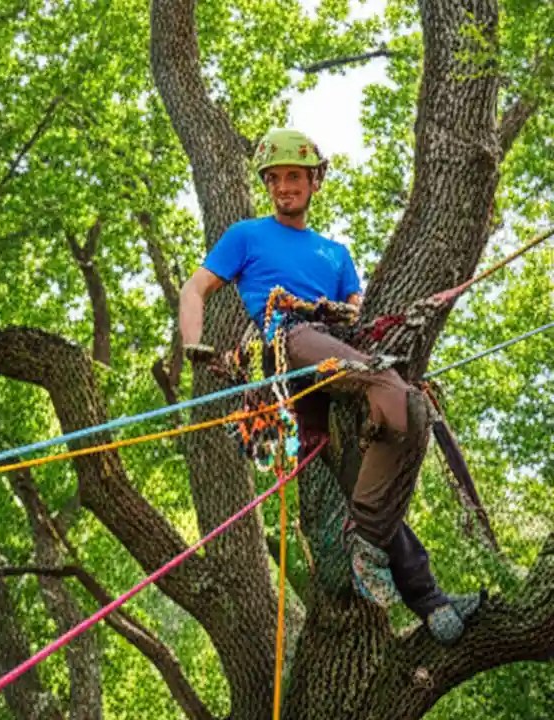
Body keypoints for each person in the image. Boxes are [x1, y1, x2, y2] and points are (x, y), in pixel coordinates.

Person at [176, 128, 480, 644]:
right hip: (292, 345)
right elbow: (195, 286)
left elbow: (358, 313)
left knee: (384, 452)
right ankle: (366, 536)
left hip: (336, 357)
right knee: (390, 387)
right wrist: (194, 344)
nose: (284, 187)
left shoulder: (335, 254)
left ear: (314, 181)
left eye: (294, 176)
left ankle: (428, 601)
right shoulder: (247, 236)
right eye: (275, 179)